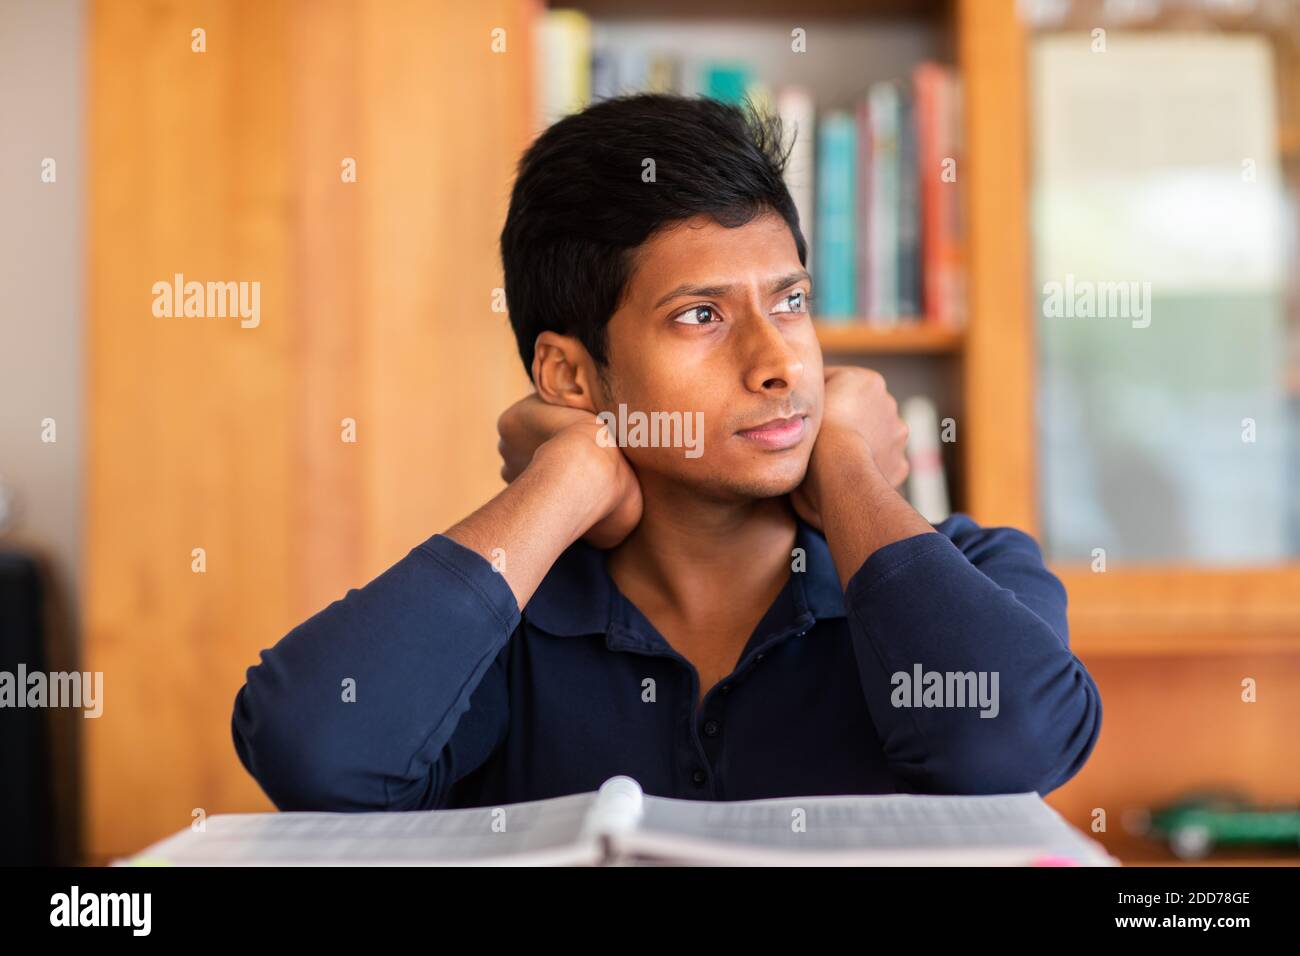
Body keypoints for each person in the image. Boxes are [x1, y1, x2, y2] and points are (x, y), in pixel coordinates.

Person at [232, 93, 1101, 812]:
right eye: (700, 315)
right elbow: (316, 748)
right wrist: (567, 479)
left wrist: (845, 465)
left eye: (790, 301)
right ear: (570, 373)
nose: (777, 364)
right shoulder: (509, 619)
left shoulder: (973, 571)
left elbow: (1010, 745)